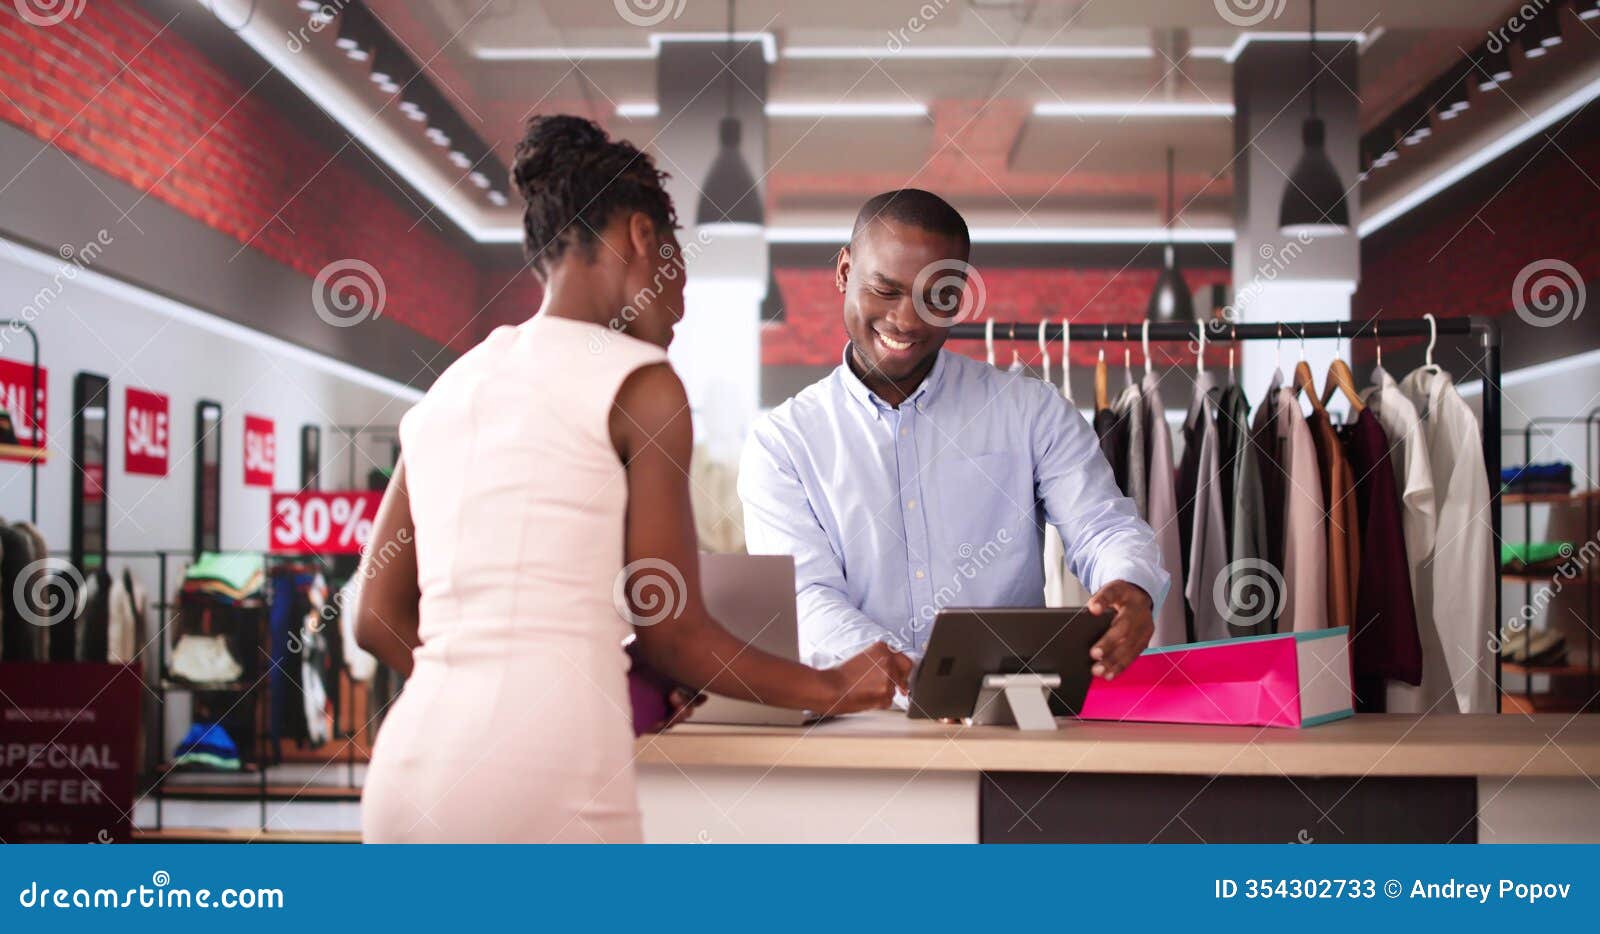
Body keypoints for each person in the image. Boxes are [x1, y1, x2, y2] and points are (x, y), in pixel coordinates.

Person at [354, 116, 911, 844]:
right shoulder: (640, 382)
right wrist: (836, 685)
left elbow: (375, 617)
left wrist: (511, 688)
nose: (677, 312)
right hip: (543, 780)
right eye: (679, 274)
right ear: (644, 238)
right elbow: (672, 635)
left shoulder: (452, 387)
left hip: (406, 772)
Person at [738, 189, 1167, 682]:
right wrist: (922, 679)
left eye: (934, 298)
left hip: (1010, 710)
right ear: (844, 271)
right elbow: (807, 597)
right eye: (885, 290)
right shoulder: (783, 443)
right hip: (860, 714)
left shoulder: (1031, 411)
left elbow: (1101, 526)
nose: (906, 320)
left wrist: (1131, 584)